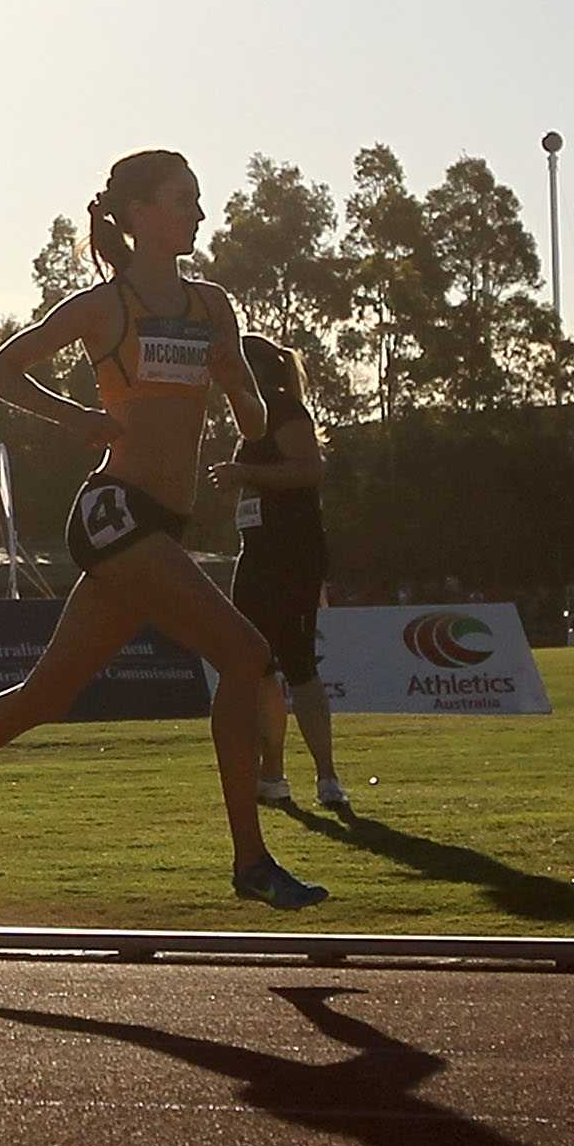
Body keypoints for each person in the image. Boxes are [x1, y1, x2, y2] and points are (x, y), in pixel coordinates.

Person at [0, 150, 326, 909]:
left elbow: (252, 425)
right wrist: (76, 416)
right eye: (184, 201)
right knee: (247, 653)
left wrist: (239, 377)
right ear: (139, 214)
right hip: (113, 512)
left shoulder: (213, 305)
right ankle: (252, 861)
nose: (199, 215)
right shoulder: (103, 309)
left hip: (161, 525)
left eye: (199, 200)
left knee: (43, 695)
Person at [214, 334, 346, 812]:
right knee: (256, 663)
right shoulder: (250, 423)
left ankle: (327, 776)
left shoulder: (285, 410)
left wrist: (245, 475)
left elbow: (309, 470)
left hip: (293, 556)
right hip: (258, 553)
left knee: (298, 664)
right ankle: (272, 773)